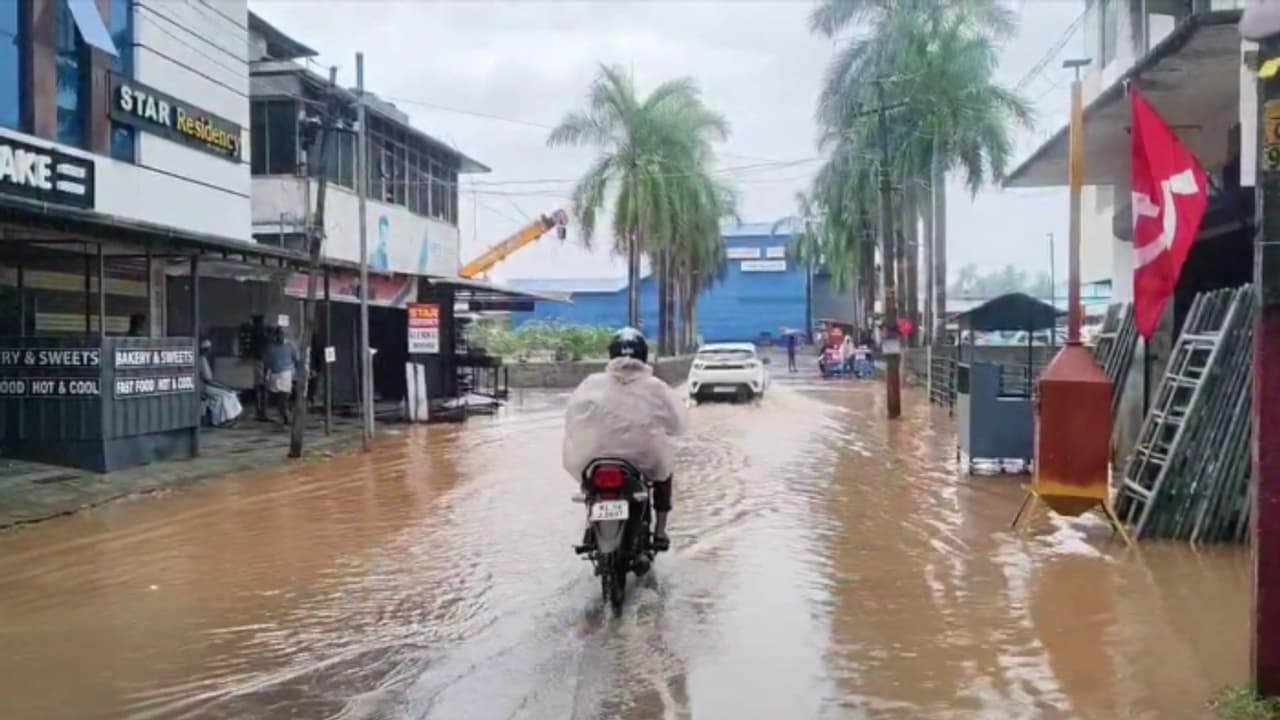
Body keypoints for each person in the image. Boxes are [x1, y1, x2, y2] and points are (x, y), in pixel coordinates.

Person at [562, 328, 687, 551]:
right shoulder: (655, 386)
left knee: (590, 485)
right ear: (643, 355)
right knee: (664, 474)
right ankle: (659, 531)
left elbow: (573, 416)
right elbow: (677, 424)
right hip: (643, 458)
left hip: (597, 455)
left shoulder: (593, 383)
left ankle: (591, 526)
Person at [199, 340, 243, 426]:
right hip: (203, 387)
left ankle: (225, 418)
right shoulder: (202, 360)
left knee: (229, 394)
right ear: (207, 350)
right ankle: (223, 420)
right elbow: (208, 380)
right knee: (228, 394)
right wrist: (224, 387)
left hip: (206, 386)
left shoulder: (203, 359)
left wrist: (224, 386)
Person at [263, 327, 298, 425]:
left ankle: (286, 415)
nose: (280, 336)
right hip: (275, 374)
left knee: (284, 396)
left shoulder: (289, 346)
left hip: (286, 374)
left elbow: (295, 359)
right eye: (278, 334)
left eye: (281, 334)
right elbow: (267, 362)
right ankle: (284, 414)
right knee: (279, 398)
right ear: (275, 336)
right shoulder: (270, 347)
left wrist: (297, 372)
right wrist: (266, 375)